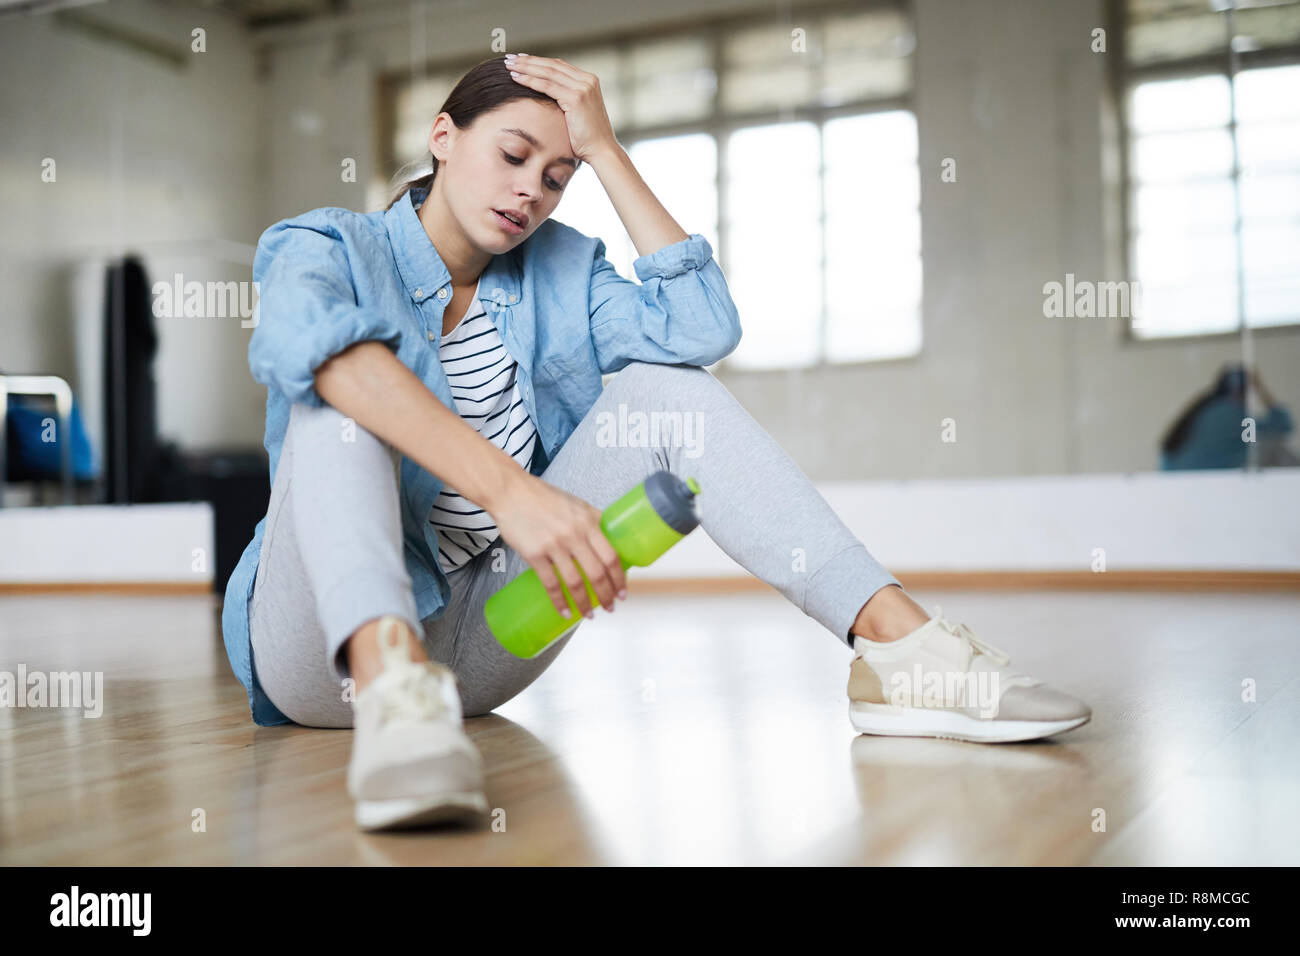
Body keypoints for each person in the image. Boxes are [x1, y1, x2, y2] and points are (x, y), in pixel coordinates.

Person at [222, 53, 1091, 831]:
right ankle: (394, 700)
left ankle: (900, 651)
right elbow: (322, 355)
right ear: (443, 137)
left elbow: (700, 329)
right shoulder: (328, 244)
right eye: (514, 155)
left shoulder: (562, 266)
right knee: (338, 395)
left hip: (485, 647)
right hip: (319, 654)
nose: (532, 189)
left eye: (559, 176)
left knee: (667, 393)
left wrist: (608, 153)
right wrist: (513, 492)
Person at [1160, 364, 1296, 470]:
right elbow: (1283, 426)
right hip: (1203, 478)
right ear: (1241, 391)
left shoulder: (1204, 409)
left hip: (1176, 478)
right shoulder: (1233, 413)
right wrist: (1260, 387)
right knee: (1273, 446)